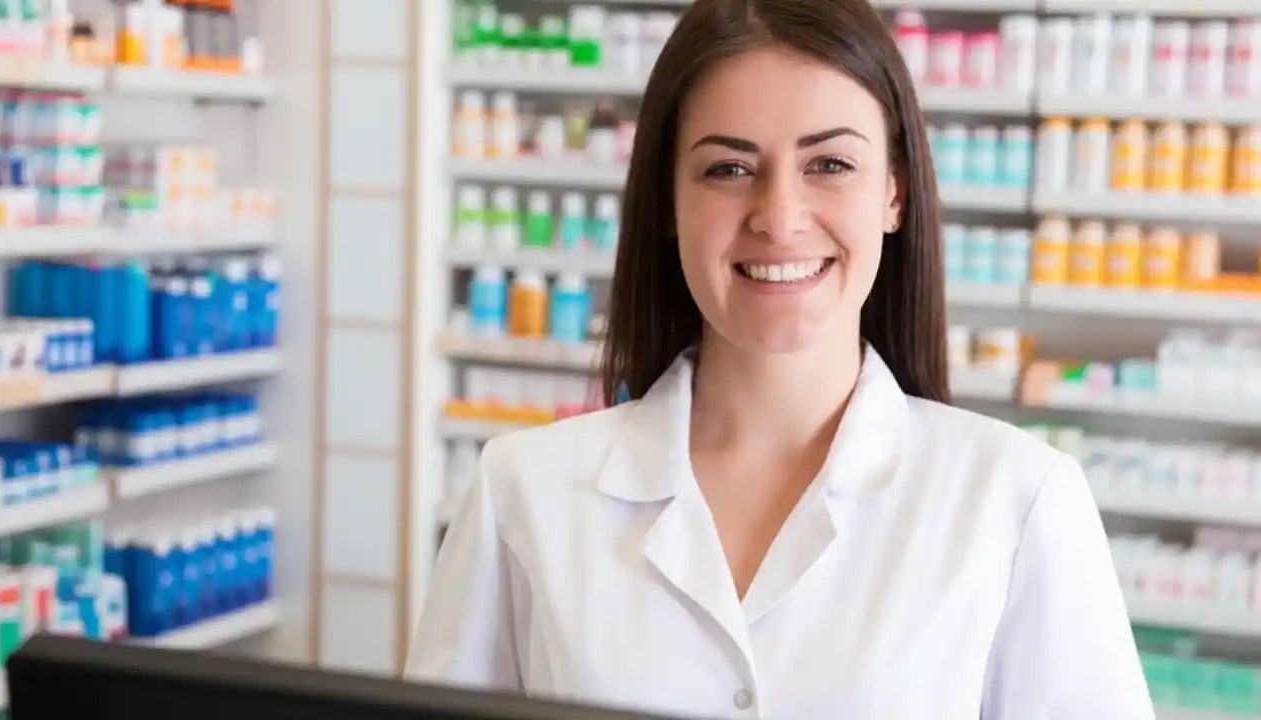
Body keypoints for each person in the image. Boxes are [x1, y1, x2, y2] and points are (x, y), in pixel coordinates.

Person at [406, 0, 1155, 717]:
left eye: (829, 164)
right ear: (668, 201)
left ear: (894, 193)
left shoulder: (1018, 501)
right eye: (729, 169)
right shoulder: (523, 492)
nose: (780, 219)